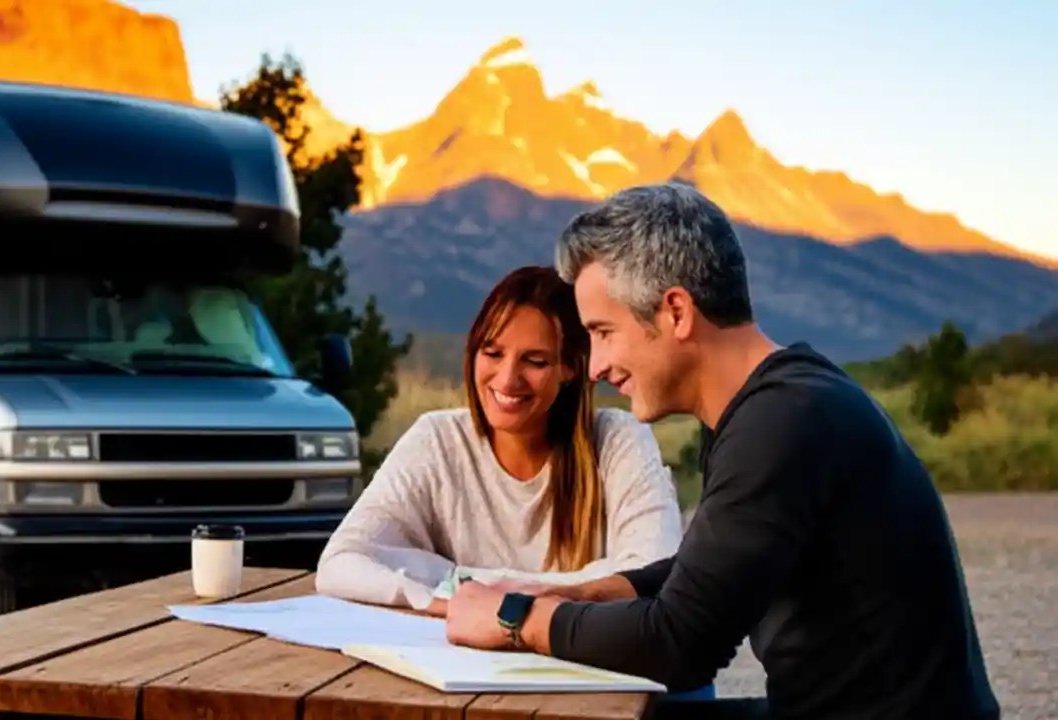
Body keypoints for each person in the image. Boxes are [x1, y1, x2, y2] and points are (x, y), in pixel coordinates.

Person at [443, 184, 1000, 720]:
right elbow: (710, 568)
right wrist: (580, 591)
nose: (594, 368)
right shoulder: (783, 400)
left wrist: (516, 618)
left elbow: (680, 644)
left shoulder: (781, 424)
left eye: (604, 332)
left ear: (676, 312)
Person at [315, 265, 685, 618]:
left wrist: (467, 584)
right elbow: (340, 563)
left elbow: (654, 571)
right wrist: (440, 602)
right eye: (492, 354)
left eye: (535, 362)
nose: (508, 380)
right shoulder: (437, 440)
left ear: (570, 367)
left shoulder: (617, 440)